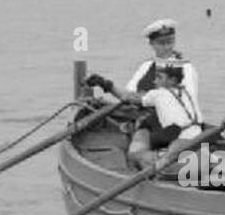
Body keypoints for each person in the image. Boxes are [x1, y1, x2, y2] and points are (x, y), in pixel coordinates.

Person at [84, 18, 200, 168]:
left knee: (140, 154)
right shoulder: (146, 66)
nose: (167, 47)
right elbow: (128, 96)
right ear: (151, 44)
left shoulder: (185, 68)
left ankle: (159, 166)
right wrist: (104, 83)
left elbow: (183, 103)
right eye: (161, 43)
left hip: (176, 126)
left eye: (170, 42)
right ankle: (154, 164)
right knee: (134, 154)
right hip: (149, 122)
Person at [124, 58, 203, 168]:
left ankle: (148, 164)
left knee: (134, 155)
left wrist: (120, 93)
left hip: (177, 137)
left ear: (172, 80)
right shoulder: (188, 91)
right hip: (200, 135)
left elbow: (131, 99)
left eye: (159, 78)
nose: (155, 81)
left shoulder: (157, 94)